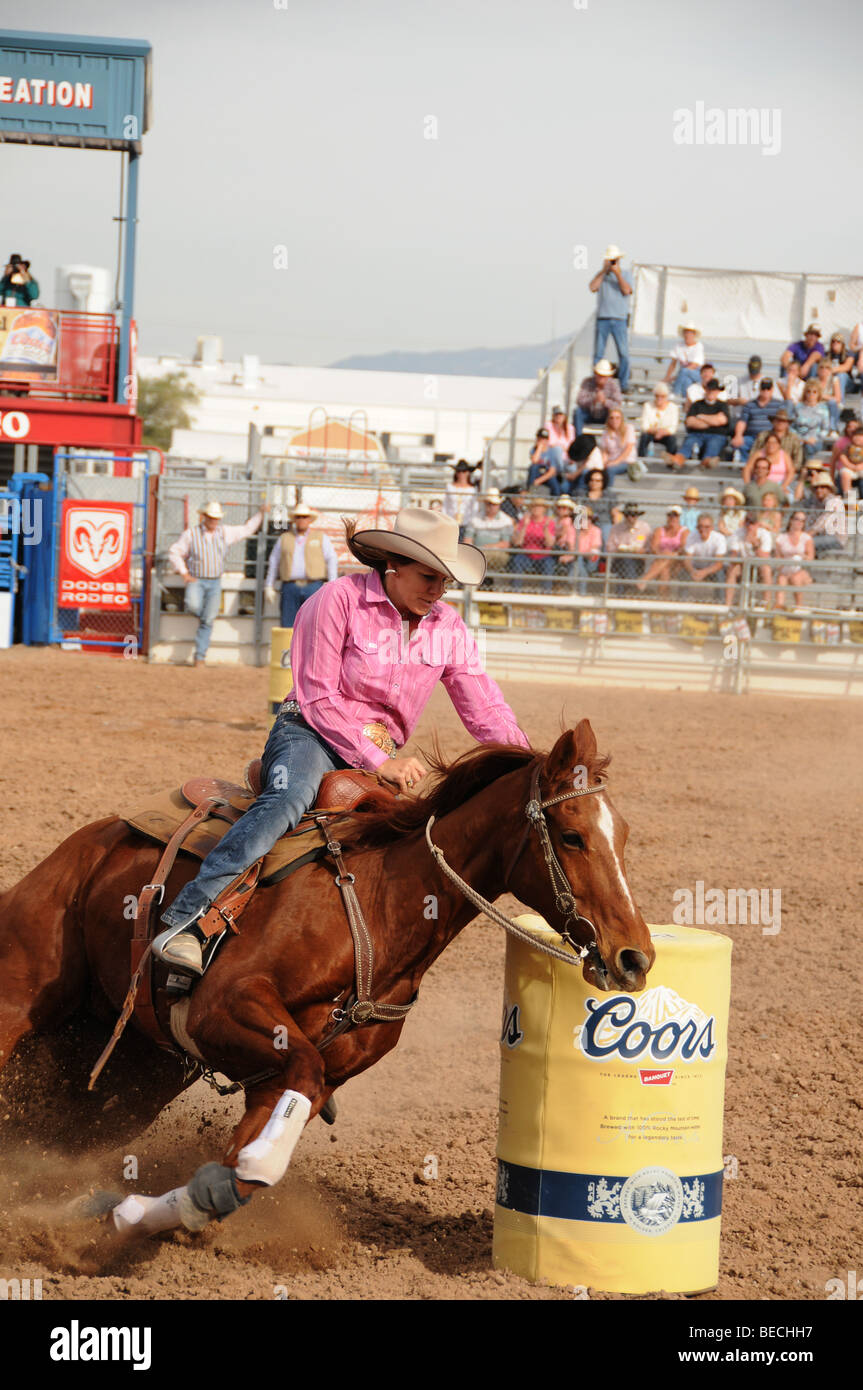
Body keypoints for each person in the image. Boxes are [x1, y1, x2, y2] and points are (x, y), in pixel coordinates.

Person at [153, 506, 530, 972]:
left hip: (378, 755)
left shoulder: (446, 627)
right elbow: (317, 697)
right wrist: (378, 760)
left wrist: (529, 761)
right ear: (393, 565)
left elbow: (483, 705)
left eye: (445, 581)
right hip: (308, 733)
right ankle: (188, 919)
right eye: (427, 576)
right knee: (290, 797)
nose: (437, 590)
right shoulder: (337, 600)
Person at [168, 499, 269, 666]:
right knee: (194, 606)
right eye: (211, 518)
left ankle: (200, 655)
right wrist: (184, 573)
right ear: (204, 517)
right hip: (197, 578)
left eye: (216, 518)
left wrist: (260, 514)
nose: (214, 521)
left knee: (206, 618)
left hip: (214, 581)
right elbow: (174, 552)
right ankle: (205, 624)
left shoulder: (224, 532)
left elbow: (247, 529)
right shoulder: (191, 534)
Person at [588, 245, 632, 390]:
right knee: (598, 353)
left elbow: (627, 290)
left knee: (623, 353)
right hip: (603, 318)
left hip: (619, 319)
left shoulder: (625, 274)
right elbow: (593, 287)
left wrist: (617, 274)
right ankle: (596, 382)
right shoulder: (601, 276)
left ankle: (623, 383)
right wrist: (604, 271)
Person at [673, 379, 729, 466]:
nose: (711, 392)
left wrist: (701, 417)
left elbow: (723, 420)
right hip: (696, 434)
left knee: (714, 444)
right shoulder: (697, 404)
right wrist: (713, 421)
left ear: (718, 392)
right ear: (706, 390)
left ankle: (707, 461)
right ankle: (677, 460)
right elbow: (690, 422)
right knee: (689, 443)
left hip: (716, 435)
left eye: (714, 390)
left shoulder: (722, 405)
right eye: (710, 389)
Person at [465, 487, 513, 584]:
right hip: (477, 553)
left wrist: (487, 547)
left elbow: (505, 544)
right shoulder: (475, 519)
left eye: (493, 504)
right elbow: (467, 540)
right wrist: (474, 550)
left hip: (495, 554)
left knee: (485, 559)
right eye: (488, 503)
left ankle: (478, 583)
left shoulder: (505, 520)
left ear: (499, 505)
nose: (490, 506)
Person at [636, 506, 688, 594]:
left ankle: (643, 580)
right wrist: (662, 554)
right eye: (670, 515)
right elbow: (654, 547)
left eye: (675, 516)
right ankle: (663, 599)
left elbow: (683, 548)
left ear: (679, 517)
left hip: (676, 562)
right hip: (660, 560)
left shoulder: (684, 531)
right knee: (664, 571)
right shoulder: (659, 530)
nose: (673, 518)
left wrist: (672, 554)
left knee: (666, 560)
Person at [725, 512, 773, 609]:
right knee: (733, 569)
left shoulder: (765, 534)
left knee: (766, 569)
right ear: (744, 523)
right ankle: (727, 605)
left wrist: (755, 544)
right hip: (743, 563)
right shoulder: (737, 533)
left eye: (753, 523)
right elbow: (733, 556)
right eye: (748, 523)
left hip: (759, 564)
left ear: (758, 524)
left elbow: (765, 558)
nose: (750, 526)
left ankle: (767, 604)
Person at [510, 495, 556, 591]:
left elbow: (550, 544)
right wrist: (524, 526)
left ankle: (546, 592)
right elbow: (518, 542)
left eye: (539, 506)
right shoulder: (525, 521)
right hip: (526, 554)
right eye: (534, 506)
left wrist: (545, 530)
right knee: (517, 561)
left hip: (543, 555)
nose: (536, 509)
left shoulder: (549, 522)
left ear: (544, 509)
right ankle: (515, 591)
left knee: (548, 564)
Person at [773, 510, 814, 609]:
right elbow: (777, 557)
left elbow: (810, 557)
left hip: (800, 569)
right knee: (781, 579)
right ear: (791, 520)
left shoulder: (806, 538)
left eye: (802, 521)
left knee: (796, 578)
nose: (799, 522)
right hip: (785, 568)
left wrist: (800, 555)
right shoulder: (781, 538)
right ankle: (780, 607)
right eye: (797, 519)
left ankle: (798, 607)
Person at [728, 379, 780, 458]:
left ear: (772, 390)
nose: (766, 391)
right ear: (759, 389)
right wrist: (738, 435)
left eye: (768, 388)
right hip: (751, 437)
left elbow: (782, 422)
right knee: (739, 444)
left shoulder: (778, 404)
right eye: (763, 388)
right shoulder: (750, 404)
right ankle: (745, 467)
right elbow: (742, 421)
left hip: (770, 437)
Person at [607, 502, 651, 593]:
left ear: (637, 516)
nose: (631, 518)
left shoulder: (644, 527)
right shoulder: (616, 528)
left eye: (634, 515)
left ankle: (623, 593)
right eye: (628, 515)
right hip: (619, 560)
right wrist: (619, 550)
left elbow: (649, 547)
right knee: (626, 561)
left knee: (626, 567)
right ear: (624, 516)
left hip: (638, 560)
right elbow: (609, 547)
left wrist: (642, 551)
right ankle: (632, 589)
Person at [682, 514, 727, 599]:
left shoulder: (719, 538)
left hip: (712, 568)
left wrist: (704, 572)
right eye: (700, 526)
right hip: (695, 566)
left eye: (707, 527)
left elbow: (719, 563)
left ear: (712, 527)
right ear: (696, 527)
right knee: (683, 573)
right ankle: (680, 602)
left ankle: (720, 603)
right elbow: (687, 559)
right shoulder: (692, 536)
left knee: (720, 575)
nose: (703, 529)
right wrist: (692, 571)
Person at [573, 360, 622, 435]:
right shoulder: (587, 382)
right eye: (599, 375)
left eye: (604, 376)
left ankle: (614, 440)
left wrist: (605, 401)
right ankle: (578, 439)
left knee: (615, 415)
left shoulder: (613, 385)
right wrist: (593, 400)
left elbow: (618, 404)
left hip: (606, 415)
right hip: (590, 413)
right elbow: (579, 400)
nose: (601, 378)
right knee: (578, 412)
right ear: (595, 374)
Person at [804, 472, 846, 556]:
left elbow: (822, 523)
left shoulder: (835, 501)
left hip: (835, 539)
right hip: (820, 537)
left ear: (829, 489)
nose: (819, 490)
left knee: (805, 542)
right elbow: (810, 520)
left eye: (823, 487)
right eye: (816, 488)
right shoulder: (816, 502)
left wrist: (805, 536)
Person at [749, 409, 803, 474]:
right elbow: (754, 452)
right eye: (778, 420)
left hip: (785, 471)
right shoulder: (763, 435)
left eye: (783, 421)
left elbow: (798, 458)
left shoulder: (794, 438)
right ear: (773, 422)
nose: (780, 423)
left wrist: (791, 470)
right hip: (762, 471)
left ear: (788, 424)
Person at [638, 382, 680, 458]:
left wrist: (662, 432)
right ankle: (641, 459)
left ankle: (671, 461)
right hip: (651, 433)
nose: (659, 398)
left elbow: (673, 428)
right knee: (644, 436)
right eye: (657, 396)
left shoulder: (673, 407)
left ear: (667, 396)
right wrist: (656, 431)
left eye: (662, 396)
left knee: (672, 439)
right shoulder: (648, 406)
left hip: (665, 434)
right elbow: (645, 426)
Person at [664, 324, 705, 398]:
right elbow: (673, 363)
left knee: (684, 371)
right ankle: (685, 401)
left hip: (697, 373)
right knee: (686, 381)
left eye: (690, 333)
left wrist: (675, 377)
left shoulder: (698, 346)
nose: (688, 335)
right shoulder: (678, 345)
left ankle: (675, 392)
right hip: (683, 373)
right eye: (686, 332)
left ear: (694, 335)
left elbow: (694, 365)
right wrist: (667, 377)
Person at [598, 407, 636, 485]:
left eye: (617, 418)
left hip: (627, 461)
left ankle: (607, 492)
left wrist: (615, 462)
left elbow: (628, 449)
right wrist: (602, 464)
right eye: (611, 418)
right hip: (611, 460)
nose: (614, 420)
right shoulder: (606, 433)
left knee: (610, 470)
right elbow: (605, 452)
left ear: (621, 419)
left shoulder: (629, 428)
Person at [793, 382, 831, 459]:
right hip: (799, 438)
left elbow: (826, 429)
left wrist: (815, 438)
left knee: (809, 447)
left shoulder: (823, 409)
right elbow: (791, 427)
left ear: (818, 394)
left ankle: (807, 467)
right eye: (808, 391)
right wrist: (801, 439)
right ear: (805, 393)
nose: (811, 394)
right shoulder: (798, 407)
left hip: (815, 440)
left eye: (814, 392)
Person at [443, 461, 478, 538]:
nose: (461, 474)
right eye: (459, 471)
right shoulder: (449, 487)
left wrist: (472, 523)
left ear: (468, 473)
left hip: (466, 523)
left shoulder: (472, 489)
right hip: (451, 523)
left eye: (464, 471)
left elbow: (474, 507)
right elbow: (446, 505)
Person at [525, 428, 562, 496]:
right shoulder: (534, 450)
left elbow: (552, 471)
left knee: (555, 483)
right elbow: (534, 461)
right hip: (537, 473)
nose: (542, 441)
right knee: (533, 468)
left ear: (547, 440)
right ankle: (530, 491)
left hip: (546, 474)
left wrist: (539, 480)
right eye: (540, 438)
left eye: (544, 439)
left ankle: (556, 498)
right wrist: (539, 448)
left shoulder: (552, 451)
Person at [825, 333, 854, 405]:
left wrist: (831, 369)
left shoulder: (849, 354)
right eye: (833, 341)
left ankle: (840, 403)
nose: (835, 343)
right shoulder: (827, 354)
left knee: (841, 375)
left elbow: (847, 367)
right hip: (830, 381)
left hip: (846, 382)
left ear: (842, 344)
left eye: (838, 341)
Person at [815, 359, 842, 432]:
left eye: (827, 367)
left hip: (831, 405)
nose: (824, 370)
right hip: (818, 404)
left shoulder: (834, 380)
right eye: (822, 367)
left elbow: (838, 398)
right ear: (818, 369)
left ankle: (833, 428)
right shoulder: (814, 381)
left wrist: (823, 396)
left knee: (832, 403)